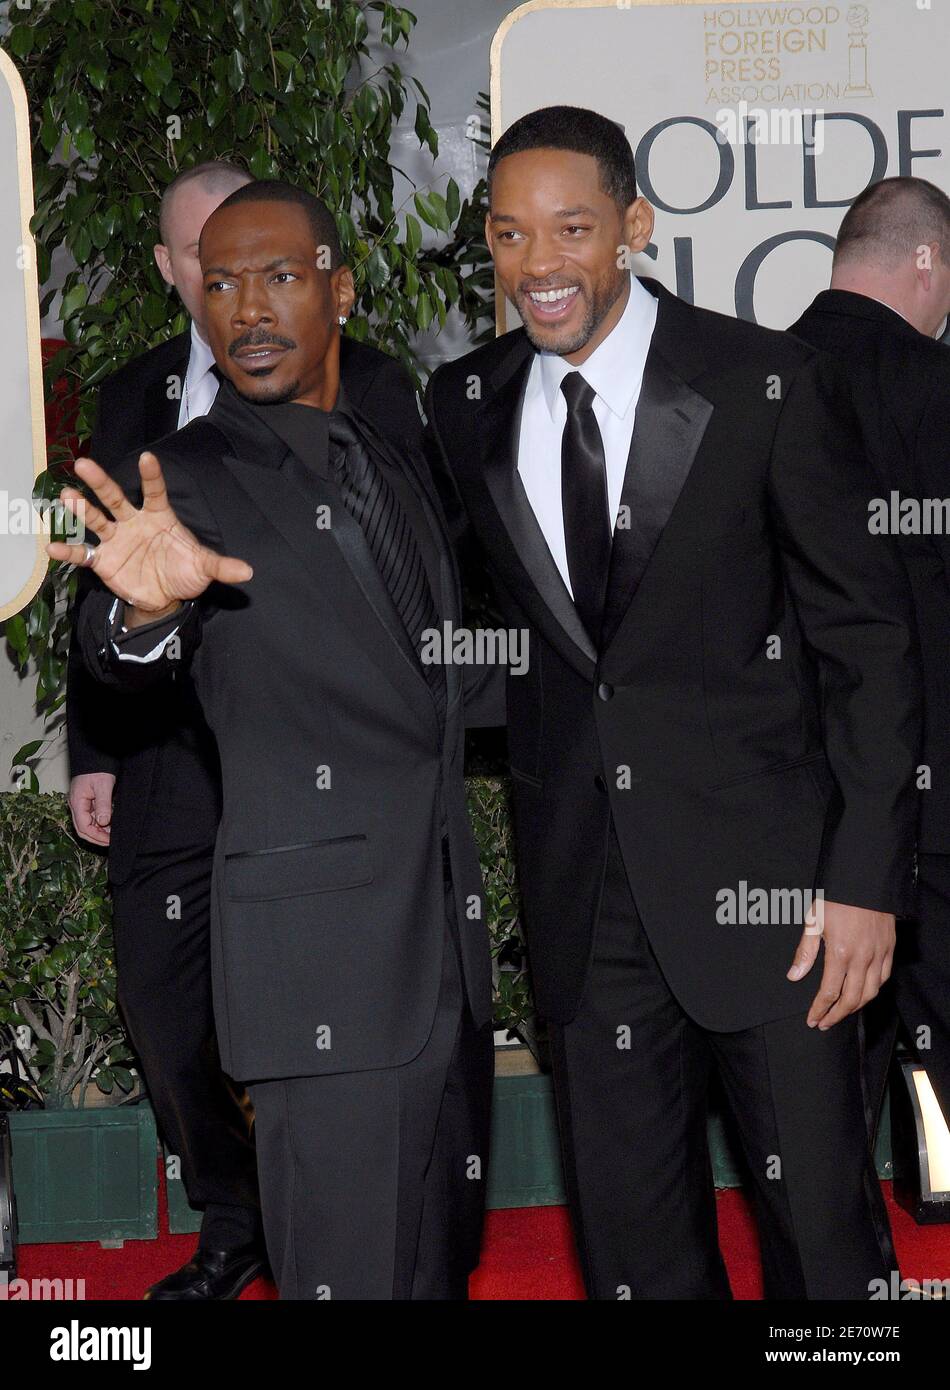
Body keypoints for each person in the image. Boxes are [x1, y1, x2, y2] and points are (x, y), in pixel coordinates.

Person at [424, 106, 922, 1300]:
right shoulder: (464, 402)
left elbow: (868, 643)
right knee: (632, 1253)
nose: (536, 265)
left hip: (781, 903)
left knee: (821, 1237)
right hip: (583, 905)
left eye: (570, 229)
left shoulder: (762, 381)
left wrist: (861, 881)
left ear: (633, 226)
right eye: (506, 234)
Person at [55, 181, 497, 1300]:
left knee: (434, 1272)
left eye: (280, 277)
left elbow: (435, 684)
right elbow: (114, 639)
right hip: (323, 979)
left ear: (339, 291)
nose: (247, 308)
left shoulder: (386, 455)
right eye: (220, 283)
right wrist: (147, 613)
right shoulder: (188, 479)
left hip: (445, 953)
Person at [66, 160, 268, 1300]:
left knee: (298, 1005)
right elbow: (92, 576)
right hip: (158, 755)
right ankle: (235, 1218)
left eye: (236, 240)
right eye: (195, 249)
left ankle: (311, 1212)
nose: (218, 268)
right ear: (166, 266)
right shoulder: (129, 390)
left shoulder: (349, 385)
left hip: (296, 755)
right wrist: (92, 751)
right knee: (161, 999)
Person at [791, 175, 950, 1134]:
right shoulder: (938, 386)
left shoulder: (752, 379)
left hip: (804, 804)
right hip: (941, 799)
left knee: (819, 1086)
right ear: (926, 259)